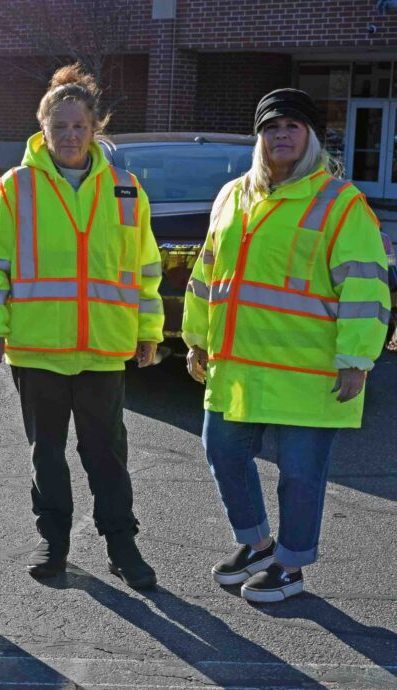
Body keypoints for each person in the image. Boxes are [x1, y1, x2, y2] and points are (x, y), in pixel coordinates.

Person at [182, 88, 390, 603]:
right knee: (222, 452)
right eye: (271, 127)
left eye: (292, 127)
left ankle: (291, 566)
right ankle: (256, 544)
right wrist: (196, 340)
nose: (280, 135)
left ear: (312, 138)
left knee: (299, 476)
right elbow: (207, 274)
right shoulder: (232, 195)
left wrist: (356, 360)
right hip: (238, 365)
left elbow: (365, 287)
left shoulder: (341, 203)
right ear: (259, 137)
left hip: (308, 371)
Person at [0, 63, 163, 590]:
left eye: (80, 126)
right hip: (37, 347)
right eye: (61, 128)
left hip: (103, 347)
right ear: (43, 130)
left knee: (106, 453)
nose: (71, 136)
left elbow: (145, 267)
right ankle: (52, 541)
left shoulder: (126, 190)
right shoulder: (15, 189)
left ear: (96, 127)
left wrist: (149, 331)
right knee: (46, 452)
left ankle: (122, 544)